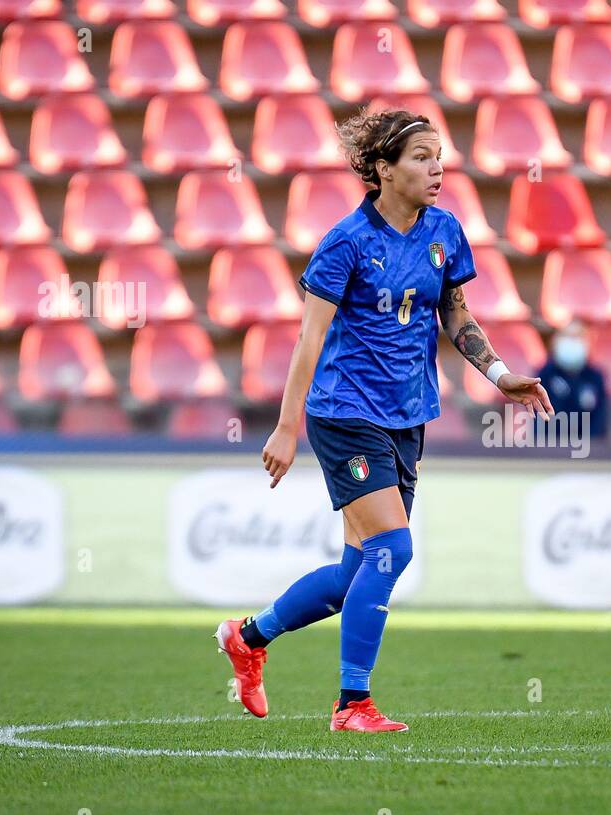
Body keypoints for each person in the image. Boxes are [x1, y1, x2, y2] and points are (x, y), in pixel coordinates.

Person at [214, 109, 553, 732]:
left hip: (406, 417)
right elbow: (308, 338)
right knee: (392, 549)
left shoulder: (445, 231)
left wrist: (499, 372)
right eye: (422, 157)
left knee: (356, 573)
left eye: (439, 156)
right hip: (345, 413)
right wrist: (287, 428)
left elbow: (456, 315)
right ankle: (352, 705)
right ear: (382, 170)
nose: (437, 167)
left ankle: (249, 636)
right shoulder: (346, 241)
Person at [535, 321, 609, 439]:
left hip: (586, 449)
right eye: (566, 336)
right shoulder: (544, 374)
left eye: (576, 337)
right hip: (550, 447)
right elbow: (538, 418)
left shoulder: (595, 376)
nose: (571, 342)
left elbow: (600, 420)